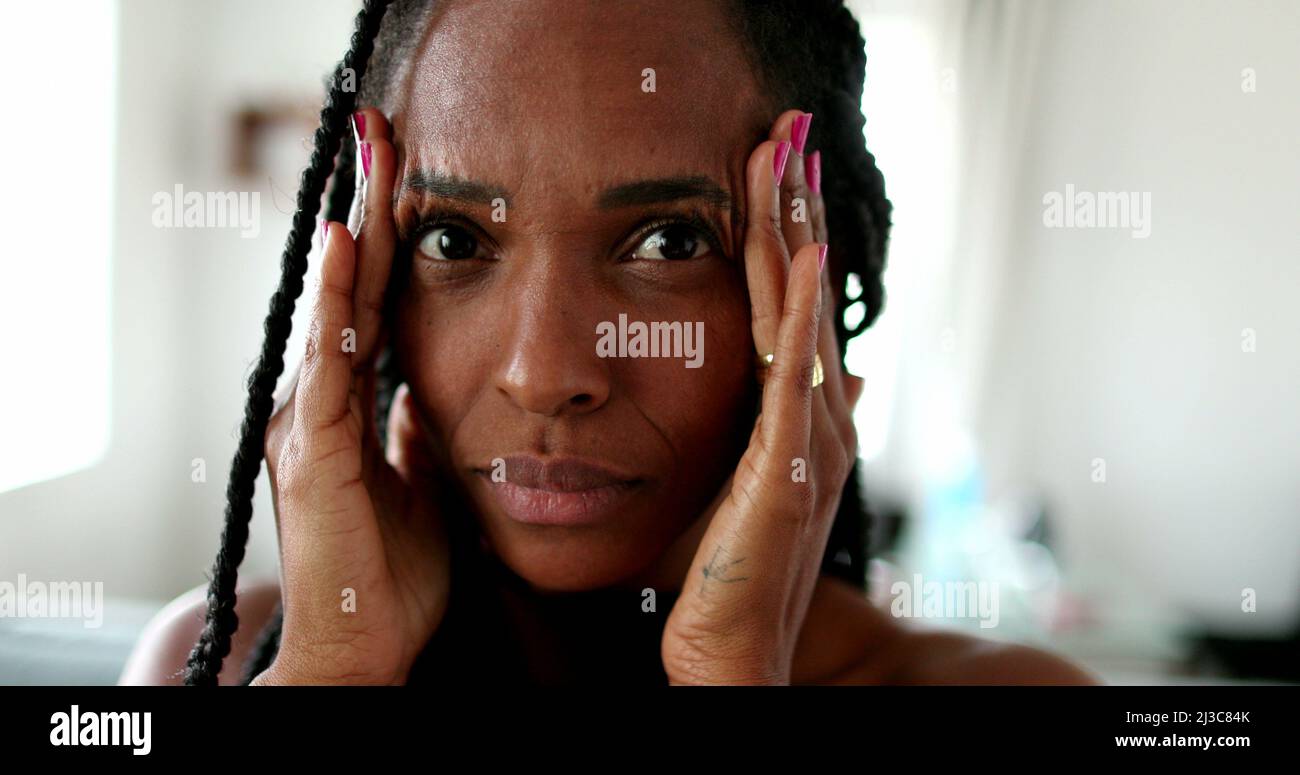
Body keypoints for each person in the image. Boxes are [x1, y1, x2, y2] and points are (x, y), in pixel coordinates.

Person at [120, 0, 1097, 686]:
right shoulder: (216, 662)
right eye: (453, 239)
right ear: (369, 285)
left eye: (670, 240)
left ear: (810, 263)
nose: (545, 375)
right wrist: (334, 673)